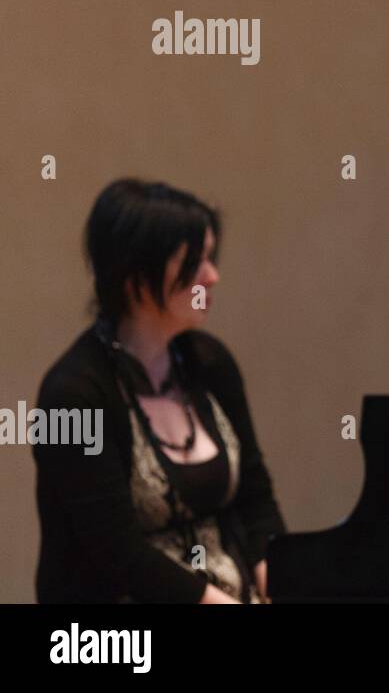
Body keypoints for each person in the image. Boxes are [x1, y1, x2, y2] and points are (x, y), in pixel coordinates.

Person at [34, 178, 285, 603]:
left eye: (211, 257)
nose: (213, 276)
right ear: (134, 275)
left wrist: (275, 575)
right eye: (194, 262)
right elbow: (114, 552)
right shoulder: (71, 396)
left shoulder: (210, 362)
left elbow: (256, 498)